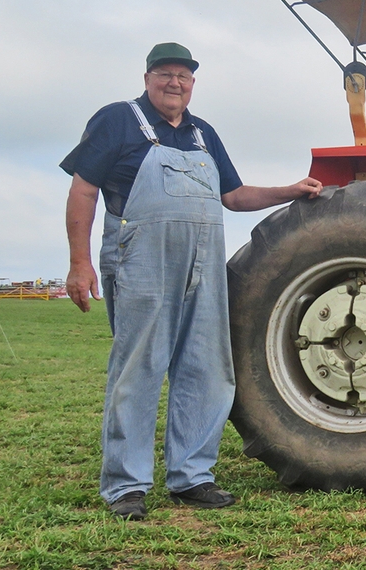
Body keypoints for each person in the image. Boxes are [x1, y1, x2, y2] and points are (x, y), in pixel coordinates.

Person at [62, 42, 322, 520]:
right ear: (147, 78)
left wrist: (290, 191)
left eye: (183, 76)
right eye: (165, 74)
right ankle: (126, 486)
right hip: (141, 258)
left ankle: (192, 477)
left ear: (193, 84)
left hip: (204, 262)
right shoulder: (117, 119)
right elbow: (84, 189)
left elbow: (235, 196)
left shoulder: (203, 133)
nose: (174, 83)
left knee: (206, 368)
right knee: (138, 368)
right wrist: (80, 264)